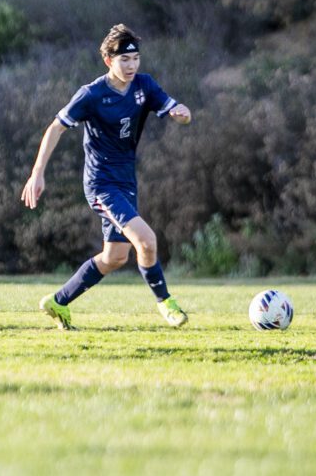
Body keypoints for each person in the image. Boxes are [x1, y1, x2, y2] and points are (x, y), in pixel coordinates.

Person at [21, 24, 191, 330]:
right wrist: (37, 172)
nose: (131, 65)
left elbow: (173, 107)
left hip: (126, 182)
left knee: (114, 257)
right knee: (147, 241)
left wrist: (181, 112)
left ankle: (59, 301)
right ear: (108, 61)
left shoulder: (144, 86)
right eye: (124, 60)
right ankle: (167, 304)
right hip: (101, 184)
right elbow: (56, 127)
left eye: (135, 58)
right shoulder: (92, 94)